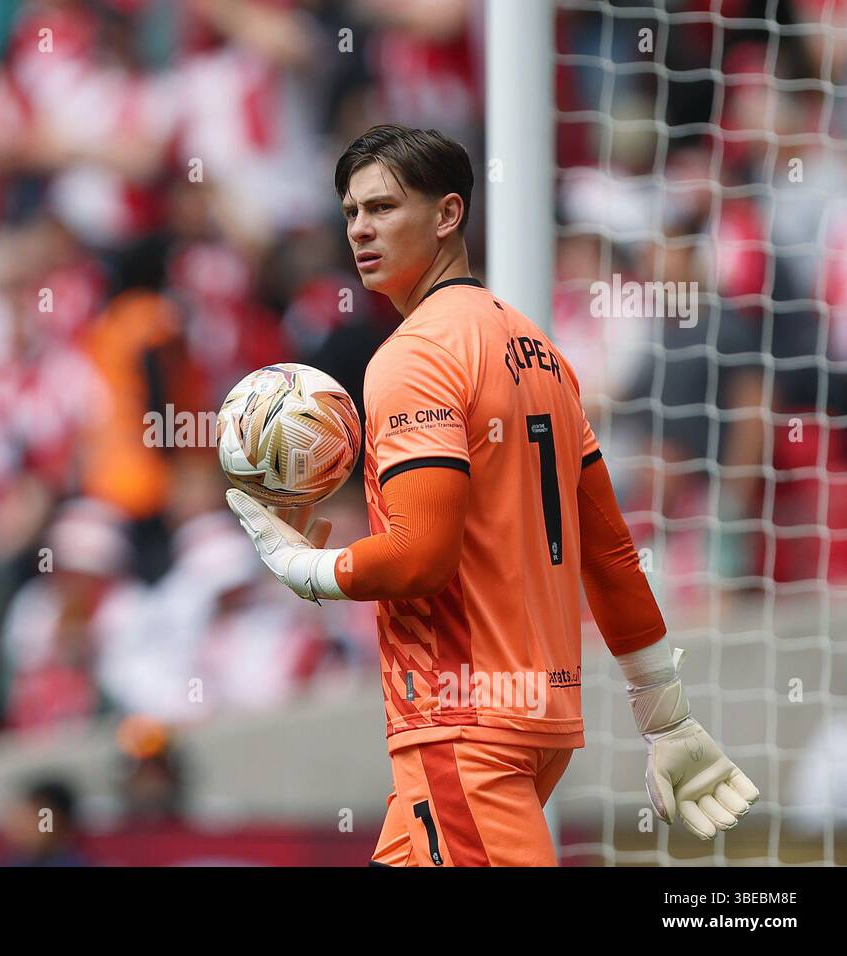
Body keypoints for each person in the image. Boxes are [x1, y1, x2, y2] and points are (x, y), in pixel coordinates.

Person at [224, 124, 760, 866]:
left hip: (461, 725)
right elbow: (608, 552)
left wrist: (305, 568)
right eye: (351, 213)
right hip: (532, 723)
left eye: (382, 207)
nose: (361, 230)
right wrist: (664, 716)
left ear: (447, 215)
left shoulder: (413, 358)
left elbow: (420, 559)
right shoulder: (541, 351)